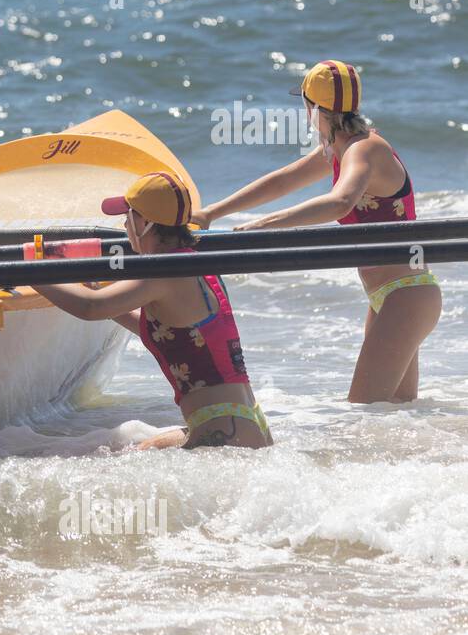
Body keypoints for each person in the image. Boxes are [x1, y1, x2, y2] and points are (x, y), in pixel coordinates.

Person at [192, 60, 440, 403]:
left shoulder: (364, 149)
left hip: (406, 295)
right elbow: (283, 180)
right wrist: (212, 212)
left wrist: (263, 225)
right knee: (393, 414)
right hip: (391, 296)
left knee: (362, 412)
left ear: (315, 109)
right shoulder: (339, 148)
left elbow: (340, 202)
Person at [34, 172, 272, 449]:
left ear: (145, 223)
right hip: (243, 422)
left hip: (223, 428)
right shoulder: (197, 263)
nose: (124, 224)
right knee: (133, 452)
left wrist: (30, 272)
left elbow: (90, 307)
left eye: (129, 216)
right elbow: (166, 334)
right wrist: (97, 290)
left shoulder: (163, 272)